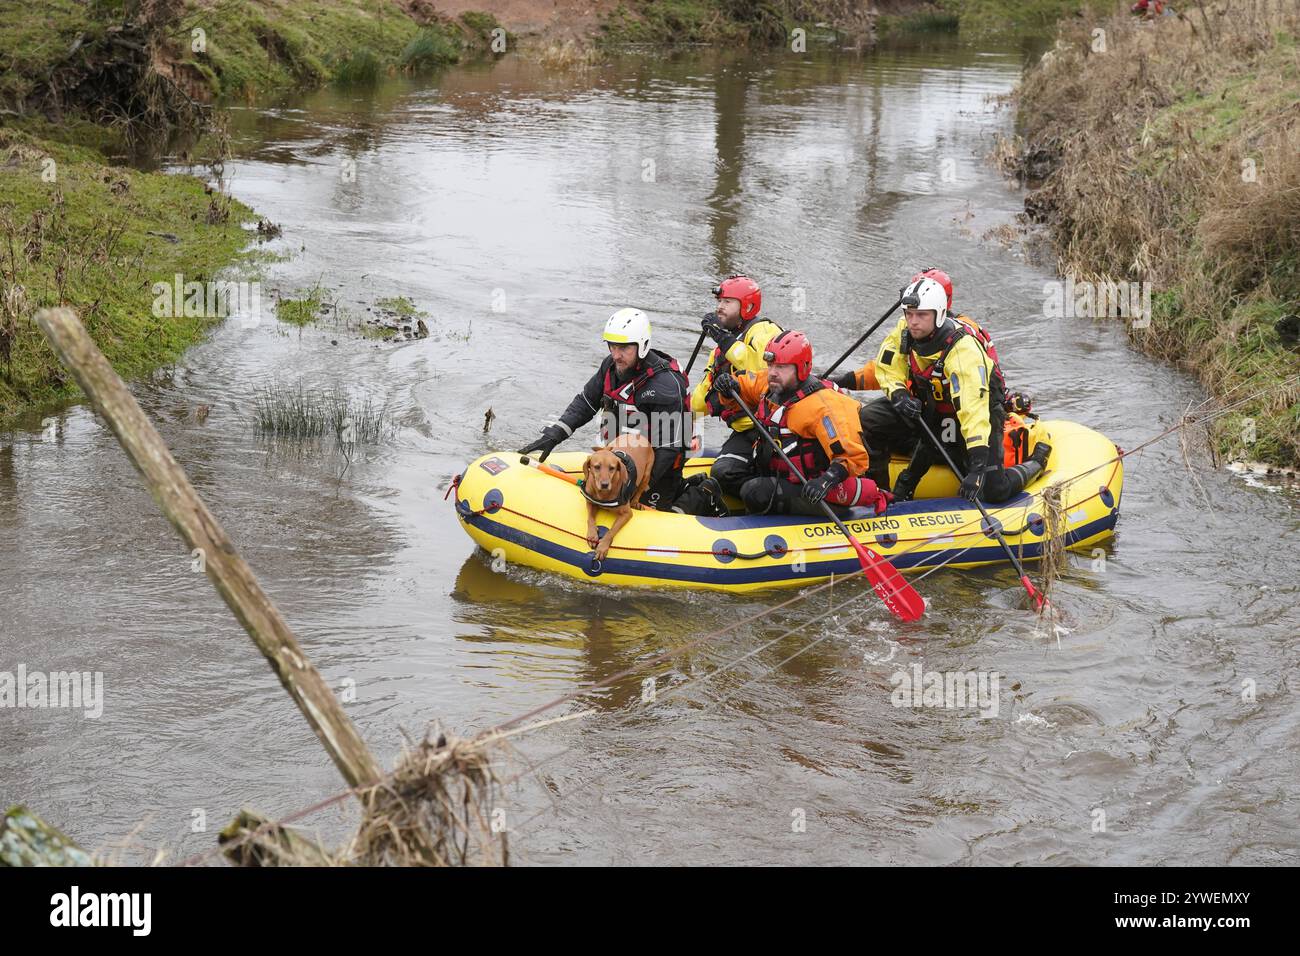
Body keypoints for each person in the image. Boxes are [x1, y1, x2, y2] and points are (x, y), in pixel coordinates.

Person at [855, 276, 1051, 504]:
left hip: (981, 412)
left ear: (938, 314)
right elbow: (887, 365)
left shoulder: (962, 349)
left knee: (993, 491)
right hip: (935, 409)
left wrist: (977, 468)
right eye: (909, 314)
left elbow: (972, 408)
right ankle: (883, 494)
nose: (913, 321)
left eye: (921, 315)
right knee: (876, 423)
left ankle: (1038, 459)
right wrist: (898, 393)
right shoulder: (906, 329)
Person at [519, 308, 725, 514]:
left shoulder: (665, 385)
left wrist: (637, 487)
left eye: (624, 348)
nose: (616, 355)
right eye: (612, 346)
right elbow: (586, 401)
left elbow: (668, 449)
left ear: (642, 346)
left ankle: (703, 493)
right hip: (621, 457)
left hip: (659, 464)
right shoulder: (610, 366)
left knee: (650, 511)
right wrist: (555, 434)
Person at [712, 330, 892, 517]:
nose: (772, 373)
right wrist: (728, 387)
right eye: (771, 365)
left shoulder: (825, 406)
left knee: (755, 492)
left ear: (802, 368)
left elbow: (852, 457)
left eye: (781, 367)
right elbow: (744, 385)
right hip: (779, 472)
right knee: (723, 473)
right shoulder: (770, 384)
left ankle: (769, 505)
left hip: (814, 484)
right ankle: (762, 498)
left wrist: (826, 481)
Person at [690, 275, 783, 496]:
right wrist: (683, 422)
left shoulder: (765, 332)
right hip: (745, 432)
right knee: (721, 473)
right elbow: (700, 401)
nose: (719, 308)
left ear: (748, 307)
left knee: (726, 474)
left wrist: (722, 337)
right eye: (719, 302)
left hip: (772, 429)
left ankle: (766, 491)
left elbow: (760, 368)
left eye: (727, 302)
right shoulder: (719, 350)